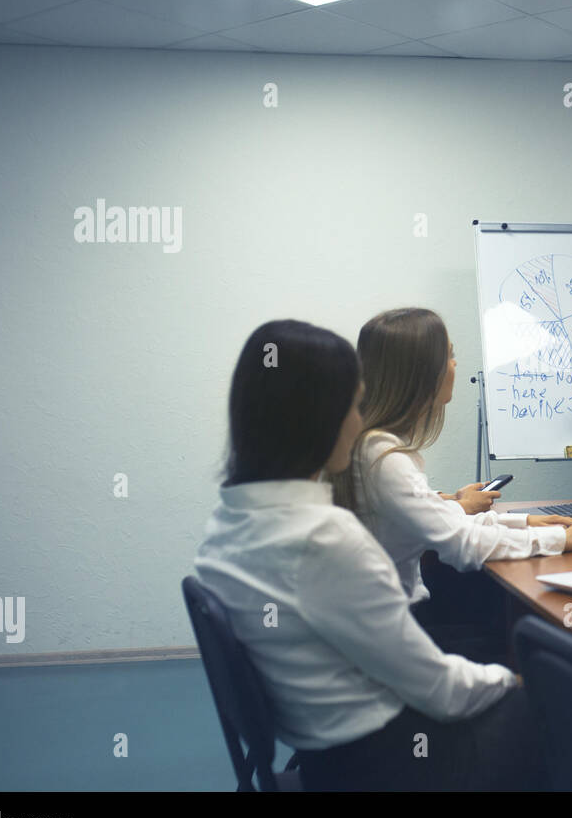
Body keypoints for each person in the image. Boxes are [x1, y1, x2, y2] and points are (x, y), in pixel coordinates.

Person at [194, 319, 542, 790]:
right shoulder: (327, 540)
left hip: (324, 754)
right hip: (387, 766)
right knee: (568, 707)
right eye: (354, 405)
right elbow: (441, 692)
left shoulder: (225, 527)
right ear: (320, 417)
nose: (361, 421)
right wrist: (515, 681)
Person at [330, 309, 572, 659]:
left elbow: (435, 516)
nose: (455, 365)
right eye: (449, 356)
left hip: (396, 625)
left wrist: (524, 521)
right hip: (402, 634)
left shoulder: (373, 447)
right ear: (422, 373)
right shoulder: (384, 458)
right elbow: (463, 545)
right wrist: (565, 538)